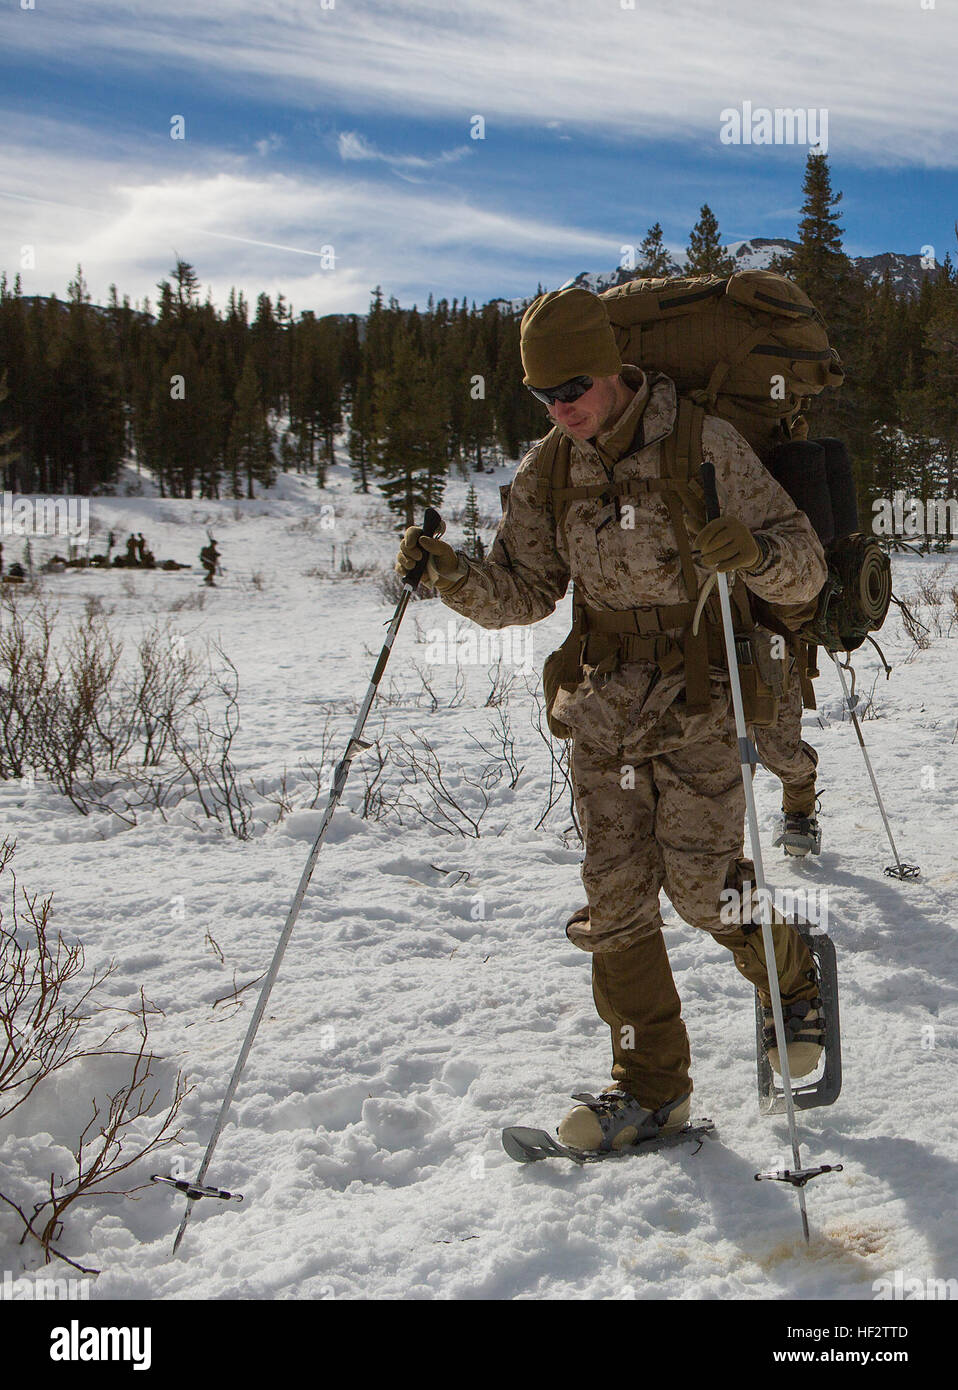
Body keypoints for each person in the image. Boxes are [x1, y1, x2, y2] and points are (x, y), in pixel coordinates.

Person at [395, 286, 828, 1151]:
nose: (562, 410)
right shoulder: (549, 468)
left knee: (704, 890)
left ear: (615, 371)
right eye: (542, 398)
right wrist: (448, 573)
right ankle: (649, 1086)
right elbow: (524, 592)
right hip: (604, 706)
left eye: (574, 389)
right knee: (616, 898)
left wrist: (757, 554)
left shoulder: (704, 442)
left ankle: (789, 970)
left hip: (704, 694)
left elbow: (807, 570)